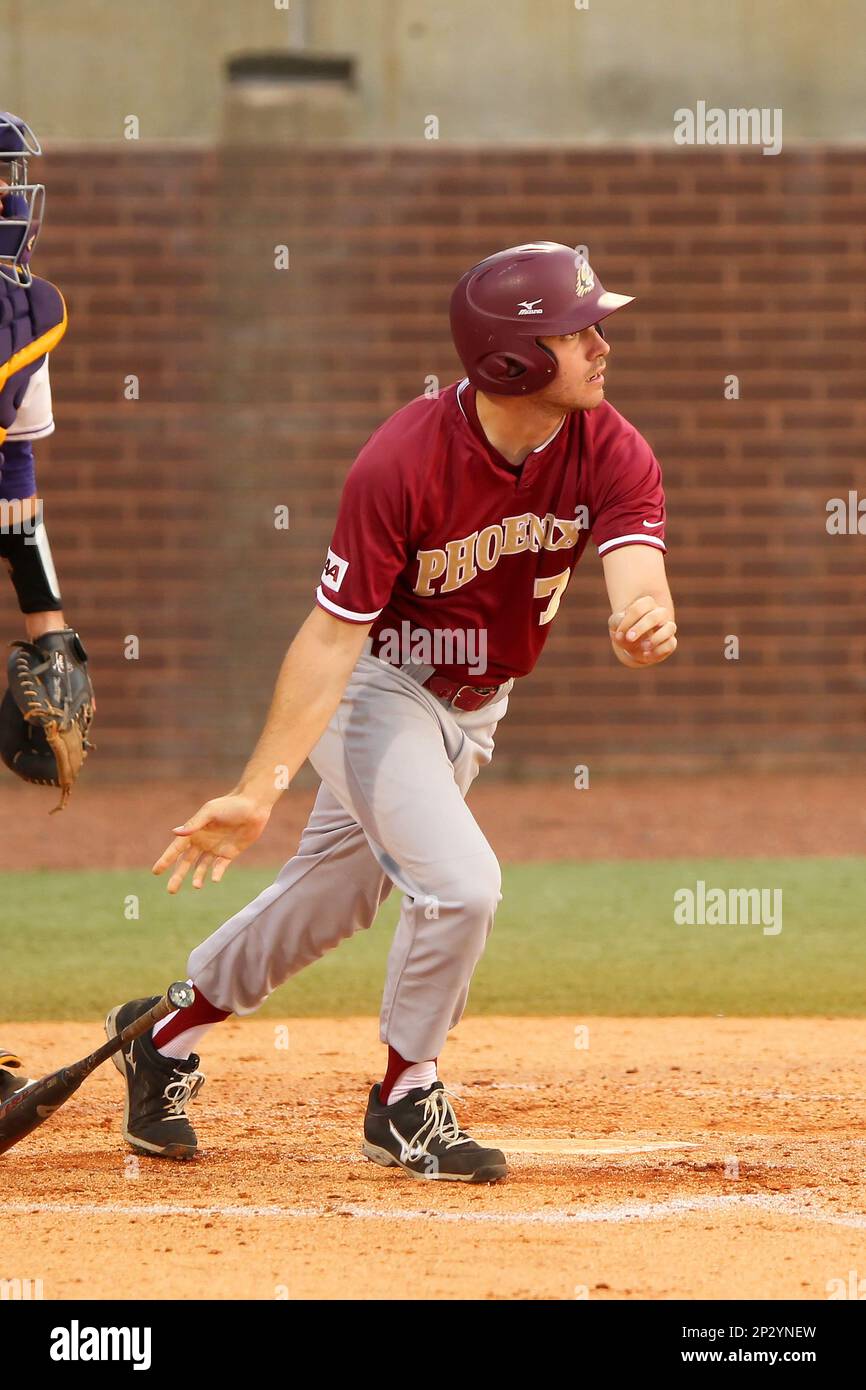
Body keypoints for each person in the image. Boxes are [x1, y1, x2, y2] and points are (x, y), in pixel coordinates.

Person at [105, 241, 676, 1182]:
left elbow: (634, 563)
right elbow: (331, 638)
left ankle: (159, 1038)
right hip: (381, 693)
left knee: (332, 898)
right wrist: (260, 789)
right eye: (577, 332)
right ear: (513, 361)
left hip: (477, 712)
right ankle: (405, 1098)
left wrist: (639, 617)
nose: (601, 343)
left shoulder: (609, 443)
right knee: (462, 886)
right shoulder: (403, 459)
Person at [0, 111, 95, 1105]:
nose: (6, 196)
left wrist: (50, 627)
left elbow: (11, 475)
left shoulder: (24, 309)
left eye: (9, 178)